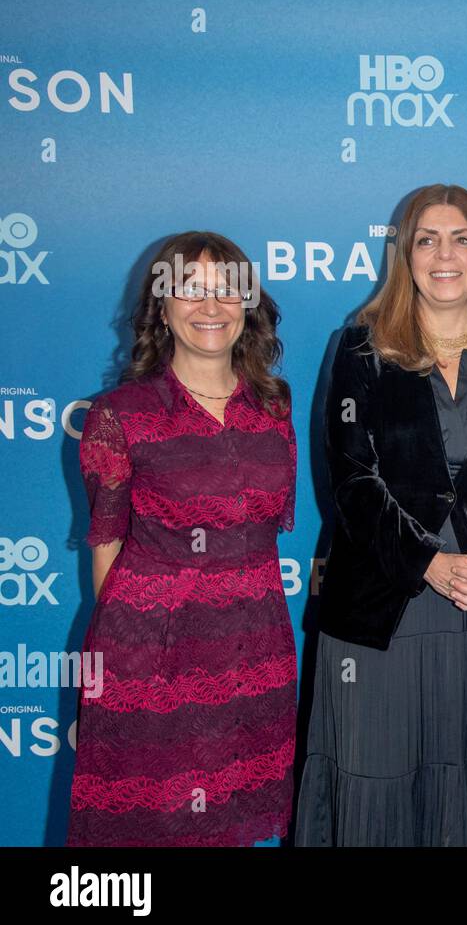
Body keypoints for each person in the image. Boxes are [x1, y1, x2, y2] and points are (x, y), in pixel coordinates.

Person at [295, 184, 467, 847]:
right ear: (404, 256)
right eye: (427, 239)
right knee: (379, 788)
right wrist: (431, 566)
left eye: (462, 239)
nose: (445, 254)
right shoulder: (360, 350)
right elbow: (351, 483)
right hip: (388, 607)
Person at [70, 231, 297, 846]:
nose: (210, 305)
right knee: (153, 832)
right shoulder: (121, 414)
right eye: (189, 289)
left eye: (227, 290)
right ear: (161, 307)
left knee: (230, 825)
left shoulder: (274, 409)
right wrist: (120, 675)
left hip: (256, 654)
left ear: (248, 304)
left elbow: (266, 538)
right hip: (156, 660)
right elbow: (108, 547)